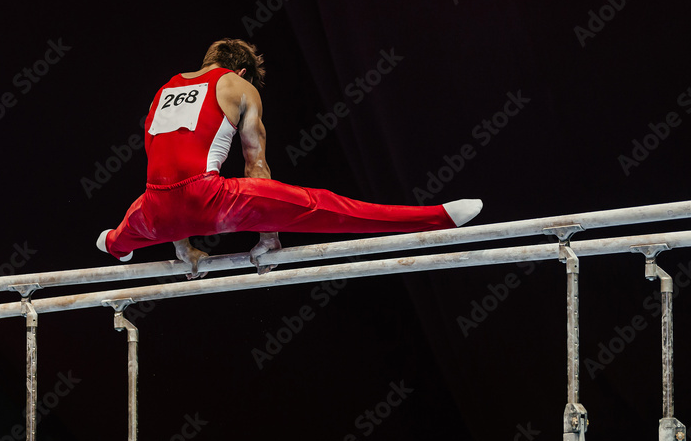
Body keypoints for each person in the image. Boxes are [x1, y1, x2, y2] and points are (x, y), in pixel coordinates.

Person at [97, 38, 481, 278]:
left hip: (154, 214)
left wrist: (183, 247)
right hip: (210, 203)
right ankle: (435, 218)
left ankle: (117, 244)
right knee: (321, 204)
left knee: (125, 230)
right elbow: (255, 164)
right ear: (243, 71)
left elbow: (163, 166)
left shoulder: (162, 91)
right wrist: (269, 236)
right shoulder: (236, 85)